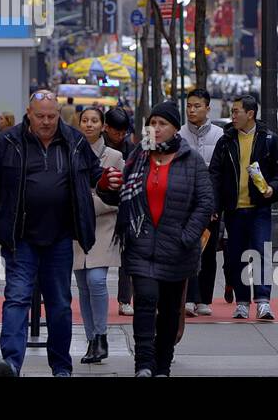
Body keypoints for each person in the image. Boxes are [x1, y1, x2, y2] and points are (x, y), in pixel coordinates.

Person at [0, 90, 121, 377]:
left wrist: (108, 182)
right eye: (40, 116)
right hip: (20, 236)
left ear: (58, 114)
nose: (46, 122)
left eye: (51, 116)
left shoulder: (74, 141)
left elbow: (94, 174)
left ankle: (61, 366)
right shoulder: (7, 141)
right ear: (28, 113)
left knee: (59, 304)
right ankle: (11, 363)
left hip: (60, 237)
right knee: (17, 298)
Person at [97, 100, 214, 377]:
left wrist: (187, 236)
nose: (156, 128)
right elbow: (121, 196)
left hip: (177, 248)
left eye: (162, 124)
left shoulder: (190, 159)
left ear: (175, 129)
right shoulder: (139, 156)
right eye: (152, 123)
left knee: (171, 310)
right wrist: (105, 186)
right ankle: (144, 365)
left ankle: (163, 365)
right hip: (141, 244)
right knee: (146, 302)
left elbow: (205, 202)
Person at [210, 94, 278, 321]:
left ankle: (263, 302)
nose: (233, 115)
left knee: (261, 254)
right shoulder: (226, 141)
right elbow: (214, 174)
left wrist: (272, 188)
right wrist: (215, 205)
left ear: (250, 114)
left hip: (259, 209)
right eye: (233, 111)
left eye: (237, 111)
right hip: (234, 210)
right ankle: (242, 302)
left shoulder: (269, 140)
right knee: (236, 257)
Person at [73, 106, 124, 364]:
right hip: (77, 229)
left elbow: (118, 196)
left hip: (104, 227)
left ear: (103, 126)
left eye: (94, 121)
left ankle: (101, 336)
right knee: (82, 285)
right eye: (85, 120)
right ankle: (91, 338)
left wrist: (89, 204)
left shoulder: (114, 156)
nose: (89, 124)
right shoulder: (71, 151)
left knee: (96, 280)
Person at [180, 89, 221, 317]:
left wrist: (215, 205)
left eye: (197, 106)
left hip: (210, 202)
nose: (192, 110)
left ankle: (204, 299)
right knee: (188, 249)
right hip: (185, 202)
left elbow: (220, 174)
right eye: (189, 106)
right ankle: (188, 298)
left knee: (209, 251)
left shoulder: (219, 135)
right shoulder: (179, 134)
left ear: (207, 108)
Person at [102, 105, 137, 314]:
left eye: (124, 132)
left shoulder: (130, 148)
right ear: (107, 128)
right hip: (101, 205)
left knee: (127, 254)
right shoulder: (97, 146)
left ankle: (125, 300)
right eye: (117, 132)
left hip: (124, 205)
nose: (120, 136)